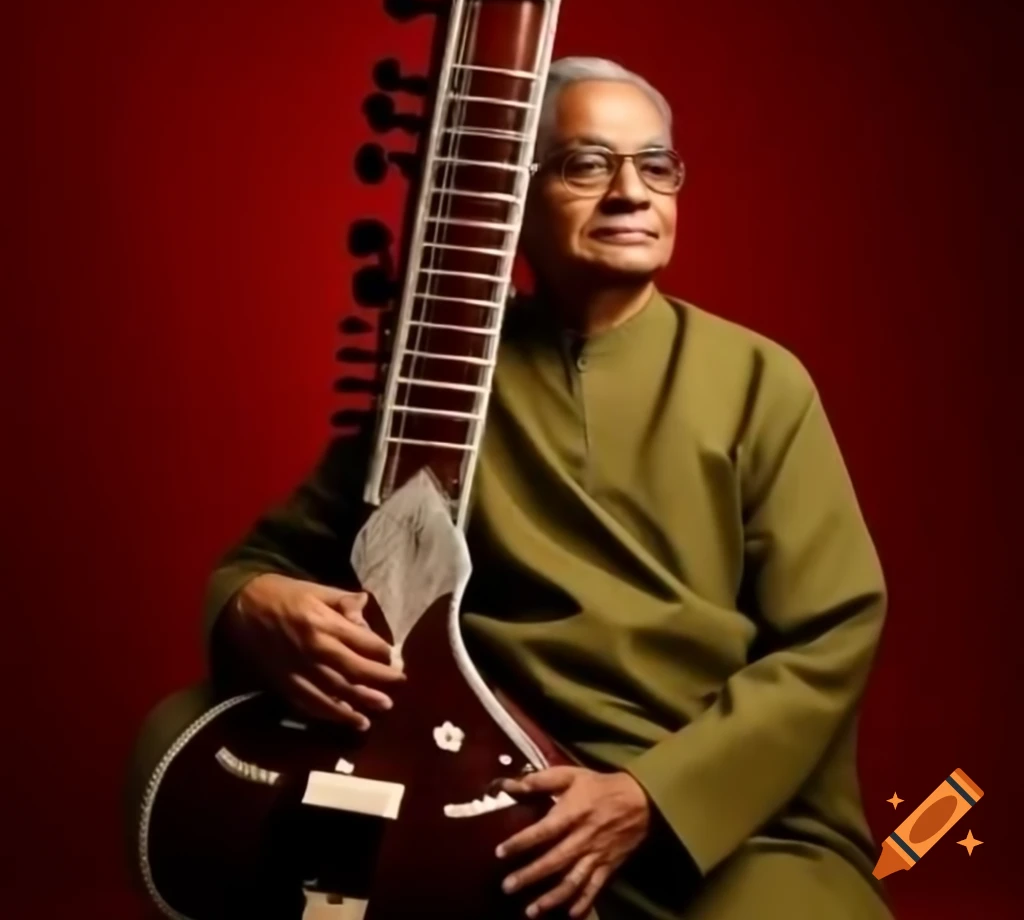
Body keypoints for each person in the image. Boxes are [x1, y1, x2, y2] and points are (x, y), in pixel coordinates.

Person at [182, 58, 893, 919]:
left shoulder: (761, 380)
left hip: (728, 814)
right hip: (496, 799)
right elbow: (265, 564)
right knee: (183, 754)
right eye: (588, 164)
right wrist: (254, 604)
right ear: (512, 198)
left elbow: (831, 633)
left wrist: (649, 794)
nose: (632, 192)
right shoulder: (443, 383)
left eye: (656, 165)